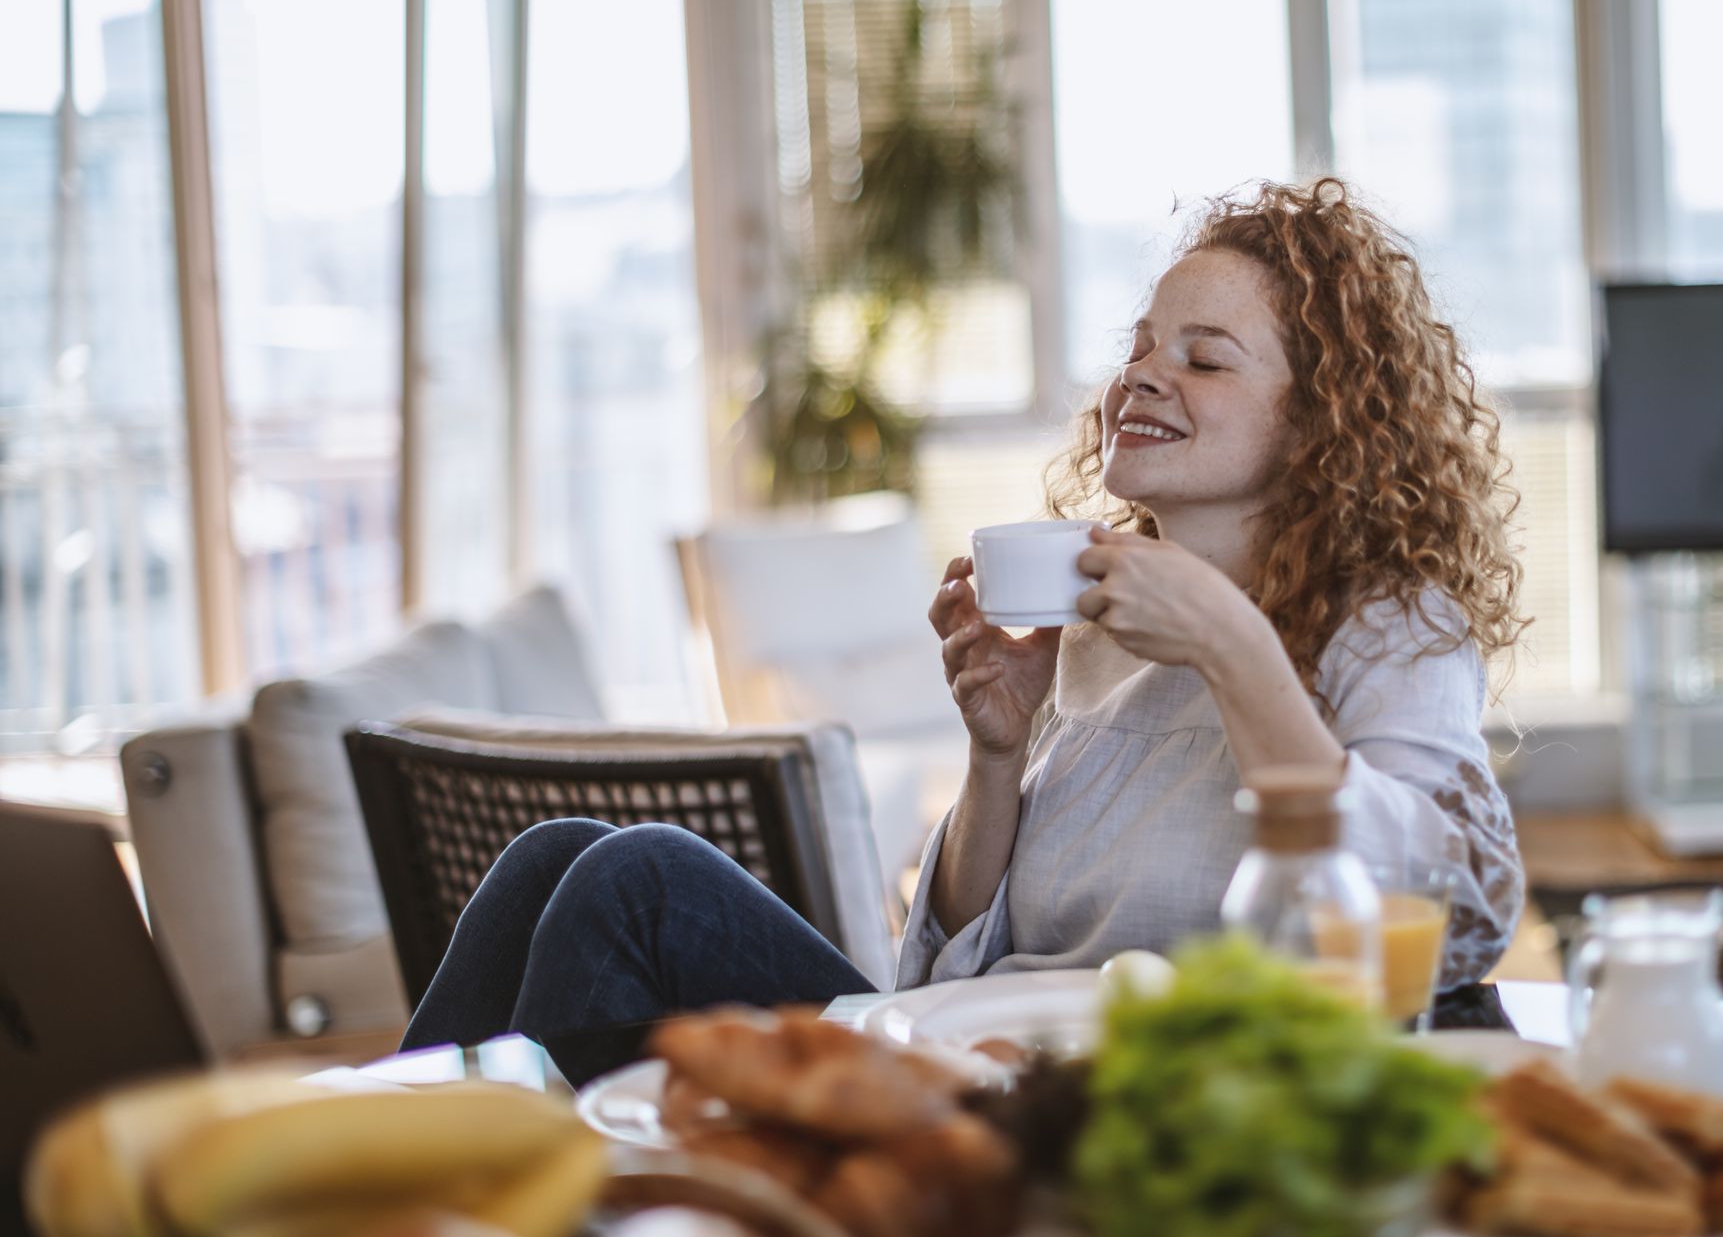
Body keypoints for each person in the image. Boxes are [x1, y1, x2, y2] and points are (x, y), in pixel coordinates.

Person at [401, 178, 1527, 1074]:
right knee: (556, 853)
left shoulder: (1389, 625)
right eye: (1143, 344)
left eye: (1204, 357)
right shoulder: (1094, 623)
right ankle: (384, 1208)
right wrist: (997, 749)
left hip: (1148, 1098)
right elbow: (945, 960)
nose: (1143, 374)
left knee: (634, 879)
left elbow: (1447, 917)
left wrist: (1231, 643)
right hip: (979, 1060)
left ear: (1319, 422)